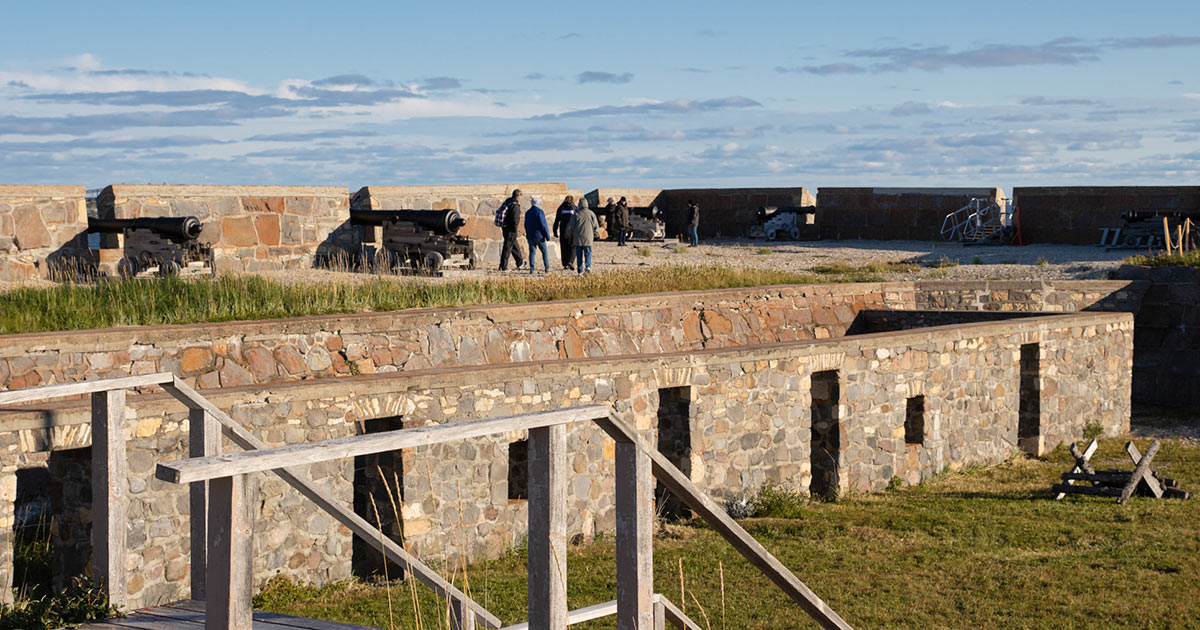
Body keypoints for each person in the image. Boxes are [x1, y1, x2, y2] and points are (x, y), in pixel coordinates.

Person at [567, 196, 600, 275]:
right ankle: (588, 267)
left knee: (579, 255)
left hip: (578, 238)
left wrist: (568, 234)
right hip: (588, 238)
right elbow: (595, 226)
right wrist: (596, 234)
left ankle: (580, 271)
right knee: (588, 253)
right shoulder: (591, 213)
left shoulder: (576, 214)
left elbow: (570, 226)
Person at [498, 189, 525, 271]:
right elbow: (515, 219)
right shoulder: (515, 205)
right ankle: (503, 266)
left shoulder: (508, 202)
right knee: (507, 247)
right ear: (519, 196)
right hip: (511, 229)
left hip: (505, 227)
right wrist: (515, 229)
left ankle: (520, 263)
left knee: (514, 245)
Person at [525, 197, 551, 274]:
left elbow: (526, 224)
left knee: (532, 252)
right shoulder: (539, 212)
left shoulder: (527, 212)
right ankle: (547, 267)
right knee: (544, 252)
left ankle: (532, 268)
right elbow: (543, 225)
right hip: (539, 236)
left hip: (530, 235)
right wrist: (547, 236)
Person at [552, 195, 577, 271]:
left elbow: (557, 220)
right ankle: (571, 261)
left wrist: (555, 231)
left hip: (563, 229)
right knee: (572, 246)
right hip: (572, 230)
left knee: (564, 247)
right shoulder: (575, 208)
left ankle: (565, 264)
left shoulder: (561, 208)